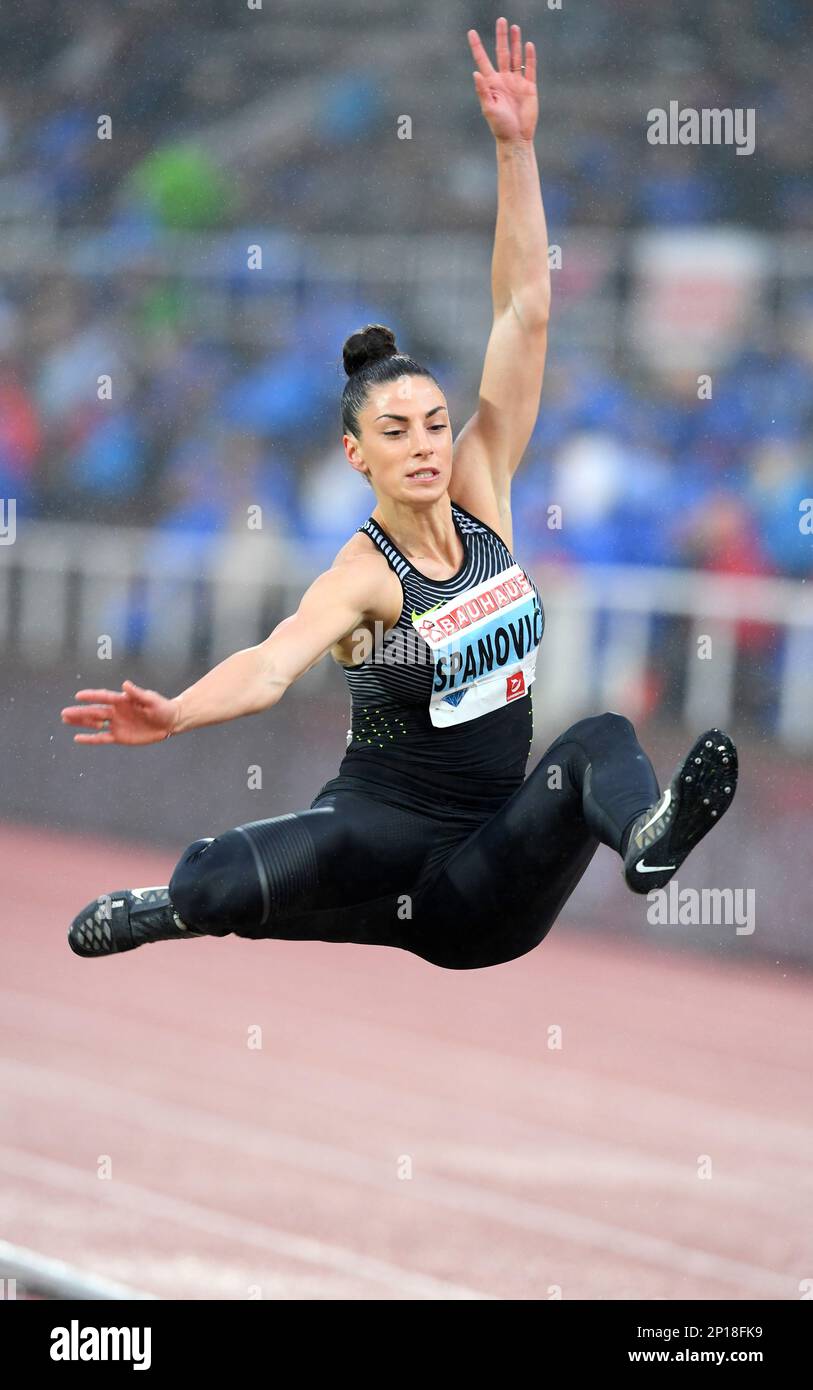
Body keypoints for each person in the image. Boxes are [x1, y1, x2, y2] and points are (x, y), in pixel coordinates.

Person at [61, 19, 737, 971]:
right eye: (396, 433)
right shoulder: (361, 579)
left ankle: (650, 839)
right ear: (356, 457)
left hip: (493, 879)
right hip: (378, 849)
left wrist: (515, 150)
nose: (424, 447)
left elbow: (524, 311)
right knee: (209, 878)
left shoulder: (484, 489)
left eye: (431, 424)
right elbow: (265, 666)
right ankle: (174, 908)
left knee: (598, 736)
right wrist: (174, 714)